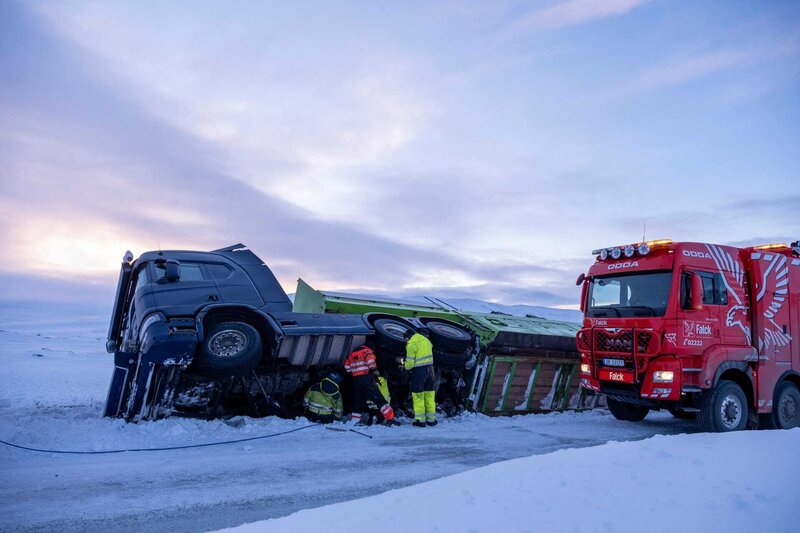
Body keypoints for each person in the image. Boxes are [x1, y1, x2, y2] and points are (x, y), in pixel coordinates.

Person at [344, 345, 398, 426]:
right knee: (379, 398)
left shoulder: (351, 355)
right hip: (366, 379)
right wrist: (374, 371)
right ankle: (390, 418)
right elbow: (371, 364)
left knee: (357, 401)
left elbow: (347, 368)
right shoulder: (366, 352)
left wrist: (356, 370)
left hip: (356, 380)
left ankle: (355, 420)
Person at [403, 328, 437, 427]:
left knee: (418, 396)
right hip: (431, 370)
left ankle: (420, 420)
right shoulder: (426, 341)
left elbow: (409, 363)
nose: (405, 342)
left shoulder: (411, 344)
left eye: (405, 339)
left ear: (408, 337)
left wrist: (404, 368)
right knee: (429, 396)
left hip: (419, 372)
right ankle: (431, 420)